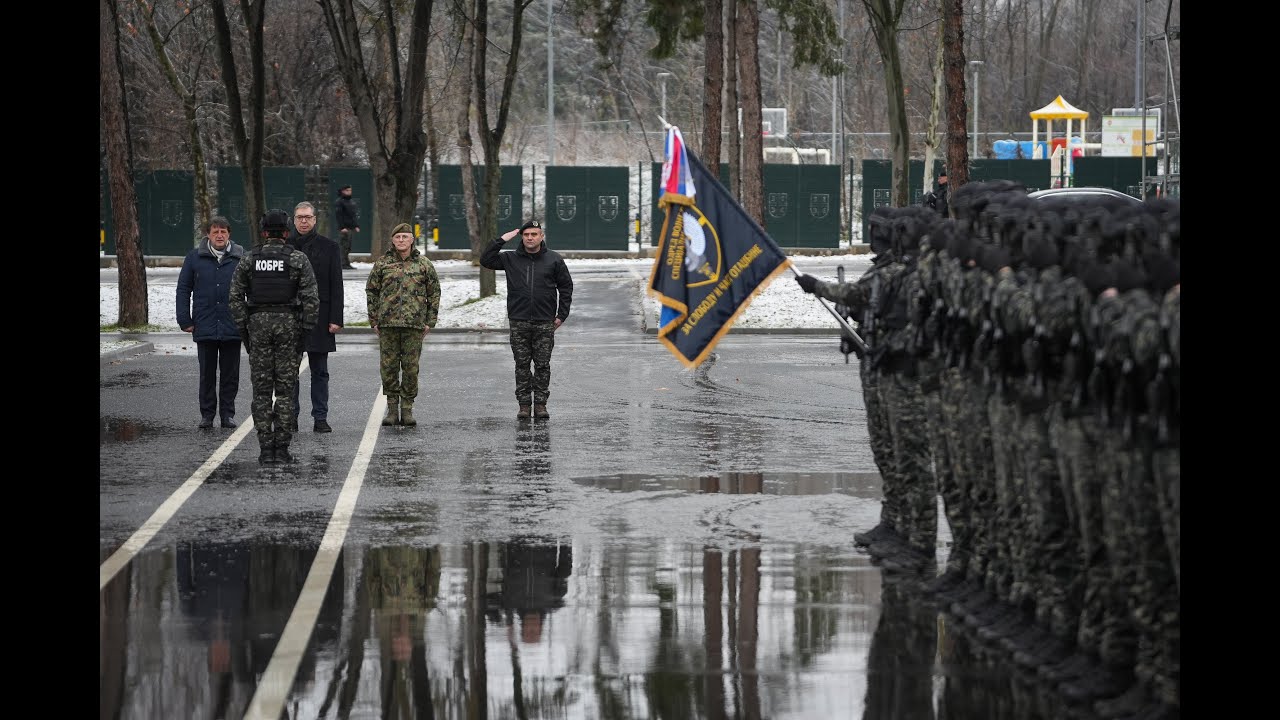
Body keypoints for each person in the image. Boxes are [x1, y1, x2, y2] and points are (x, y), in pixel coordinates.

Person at [229, 209, 319, 464]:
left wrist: (244, 328)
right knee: (285, 391)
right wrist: (305, 330)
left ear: (264, 232)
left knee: (261, 391)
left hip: (258, 326)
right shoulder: (298, 259)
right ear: (287, 232)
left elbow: (235, 297)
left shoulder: (249, 259)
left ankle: (265, 448)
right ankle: (282, 448)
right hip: (289, 327)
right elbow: (312, 298)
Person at [481, 219, 574, 419]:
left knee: (542, 365)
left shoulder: (554, 260)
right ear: (521, 237)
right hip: (518, 320)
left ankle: (540, 404)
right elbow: (486, 260)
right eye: (526, 235)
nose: (530, 238)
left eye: (534, 234)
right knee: (521, 365)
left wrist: (561, 315)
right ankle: (524, 405)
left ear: (541, 236)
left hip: (544, 322)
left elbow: (565, 287)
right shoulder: (510, 258)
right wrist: (502, 240)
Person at [365, 223, 441, 427]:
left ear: (412, 239)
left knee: (410, 368)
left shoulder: (424, 264)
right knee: (388, 368)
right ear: (392, 240)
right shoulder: (382, 264)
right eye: (397, 237)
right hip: (388, 324)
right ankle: (391, 409)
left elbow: (434, 293)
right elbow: (371, 291)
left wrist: (429, 322)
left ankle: (407, 408)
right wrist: (374, 319)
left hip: (414, 325)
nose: (401, 240)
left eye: (405, 237)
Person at [177, 216, 246, 429]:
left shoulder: (241, 257)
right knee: (206, 373)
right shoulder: (194, 258)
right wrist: (184, 319)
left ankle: (227, 415)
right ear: (208, 234)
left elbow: (251, 289)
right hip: (204, 324)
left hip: (232, 324)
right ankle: (207, 415)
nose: (219, 235)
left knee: (230, 374)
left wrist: (248, 319)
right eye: (215, 231)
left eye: (223, 231)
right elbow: (183, 289)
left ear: (229, 234)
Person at [288, 201, 344, 433]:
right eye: (300, 217)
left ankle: (320, 417)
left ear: (315, 220)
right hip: (290, 317)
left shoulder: (329, 247)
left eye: (307, 217)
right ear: (293, 219)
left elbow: (336, 284)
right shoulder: (284, 246)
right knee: (290, 372)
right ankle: (290, 417)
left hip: (321, 317)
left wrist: (336, 318)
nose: (303, 221)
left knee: (320, 371)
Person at [334, 184, 360, 269]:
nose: (349, 192)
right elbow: (339, 215)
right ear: (343, 191)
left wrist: (356, 225)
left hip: (350, 227)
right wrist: (342, 227)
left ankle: (346, 263)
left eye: (350, 190)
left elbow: (353, 215)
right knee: (343, 246)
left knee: (348, 246)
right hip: (344, 228)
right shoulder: (340, 202)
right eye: (347, 190)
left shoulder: (351, 201)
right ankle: (342, 263)